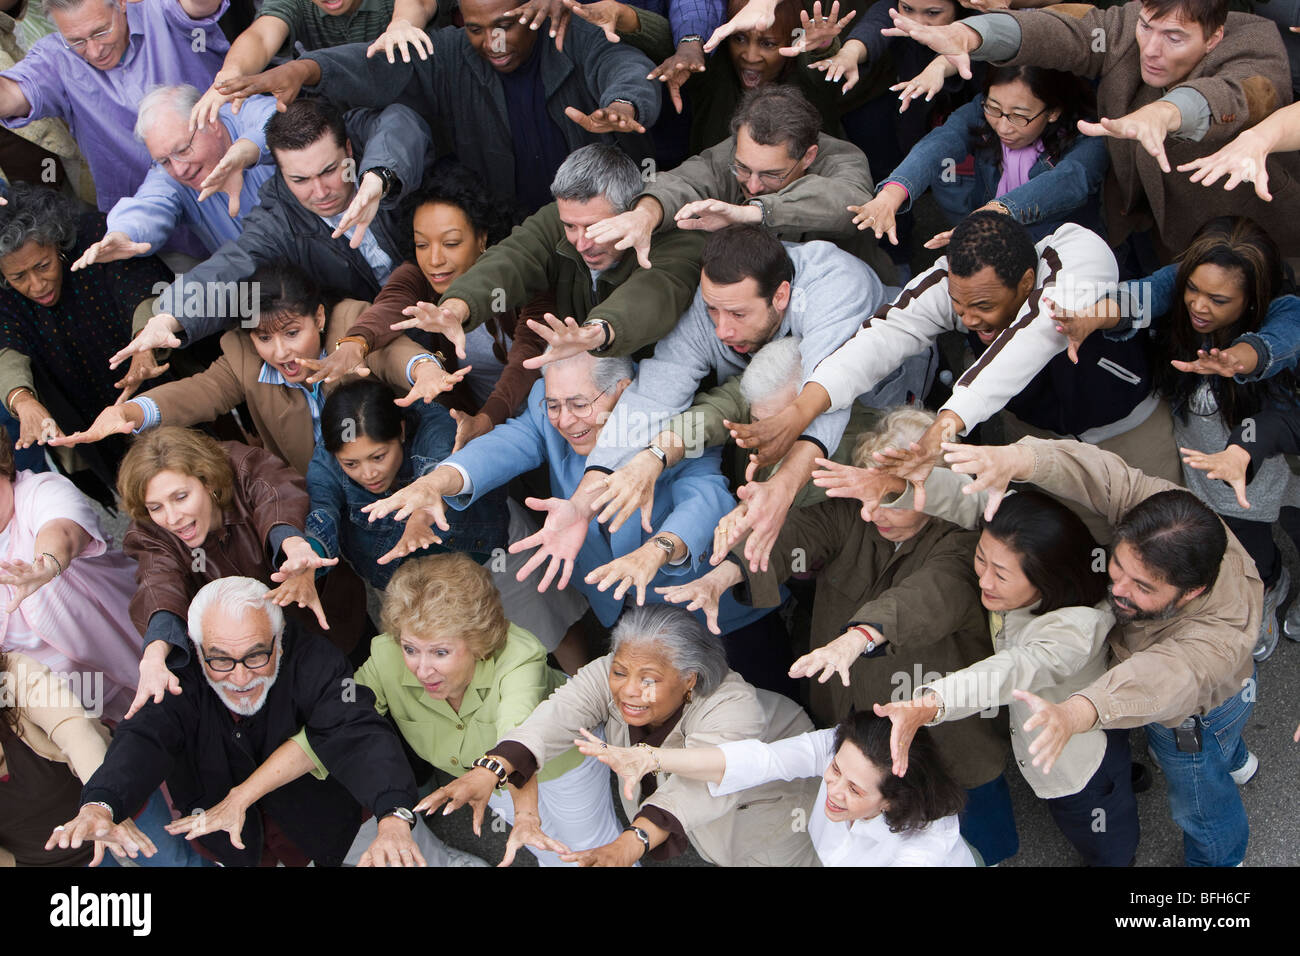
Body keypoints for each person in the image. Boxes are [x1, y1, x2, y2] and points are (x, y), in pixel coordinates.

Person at [659, 407, 1015, 865]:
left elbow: (924, 598)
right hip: (855, 715)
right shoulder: (858, 512)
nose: (871, 512)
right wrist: (720, 578)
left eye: (891, 498)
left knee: (970, 821)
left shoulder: (963, 544)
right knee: (867, 811)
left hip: (940, 734)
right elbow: (794, 537)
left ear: (933, 489)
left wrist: (856, 639)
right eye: (868, 494)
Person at [934, 436, 1260, 867]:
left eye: (1142, 587)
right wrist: (1017, 458)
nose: (1116, 591)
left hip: (1195, 713)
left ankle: (1221, 860)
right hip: (1228, 693)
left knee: (1200, 803)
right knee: (1224, 748)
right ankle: (1238, 760)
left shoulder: (1217, 637)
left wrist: (1078, 711)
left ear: (1192, 592)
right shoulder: (1166, 512)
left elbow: (1164, 680)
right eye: (1118, 567)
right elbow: (1104, 475)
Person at [824, 459, 1140, 865]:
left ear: (1046, 577)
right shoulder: (1015, 535)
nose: (984, 580)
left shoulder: (1075, 629)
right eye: (980, 559)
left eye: (1001, 575)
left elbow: (1006, 673)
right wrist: (895, 484)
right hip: (1048, 722)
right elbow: (968, 499)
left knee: (1093, 815)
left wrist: (929, 703)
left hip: (1072, 751)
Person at [363, 351, 772, 644]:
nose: (565, 420)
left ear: (623, 391)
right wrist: (438, 481)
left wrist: (659, 550)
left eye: (579, 404)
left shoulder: (670, 420)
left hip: (708, 609)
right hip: (614, 609)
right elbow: (507, 444)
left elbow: (706, 499)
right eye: (554, 405)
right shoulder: (548, 414)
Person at [741, 213, 1137, 512]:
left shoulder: (1080, 255)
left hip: (1127, 425)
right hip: (1032, 431)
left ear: (1026, 281)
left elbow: (1031, 336)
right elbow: (880, 339)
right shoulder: (957, 282)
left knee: (1138, 515)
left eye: (984, 306)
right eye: (959, 308)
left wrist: (944, 425)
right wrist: (799, 411)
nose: (968, 320)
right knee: (1071, 524)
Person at [46, 577, 428, 867]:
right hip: (235, 843)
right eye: (221, 660)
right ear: (196, 649)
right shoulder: (179, 676)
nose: (241, 678)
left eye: (256, 656)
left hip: (329, 822)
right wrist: (101, 802)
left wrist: (394, 814)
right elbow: (144, 738)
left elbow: (357, 731)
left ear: (280, 640)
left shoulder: (316, 659)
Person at [882, 0, 1300, 261]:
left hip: (1248, 224)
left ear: (1214, 38)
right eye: (1147, 27)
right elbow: (1067, 33)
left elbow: (1241, 94)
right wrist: (973, 33)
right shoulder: (1129, 26)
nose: (1150, 50)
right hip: (1148, 220)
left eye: (1174, 37)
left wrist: (1166, 113)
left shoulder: (1254, 40)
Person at [1055, 216, 1300, 660]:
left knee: (1275, 531)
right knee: (1236, 541)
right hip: (1211, 468)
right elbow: (1145, 293)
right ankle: (1260, 582)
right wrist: (1090, 320)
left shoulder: (1282, 314)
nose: (1199, 306)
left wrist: (1238, 361)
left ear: (1252, 300)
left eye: (1218, 299)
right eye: (1194, 289)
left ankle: (1271, 584)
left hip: (1262, 466)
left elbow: (1279, 344)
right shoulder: (1183, 305)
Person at [421, 604, 820, 866]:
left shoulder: (734, 705)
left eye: (649, 679)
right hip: (690, 807)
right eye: (621, 672)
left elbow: (703, 786)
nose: (628, 689)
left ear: (688, 680)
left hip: (767, 799)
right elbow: (560, 714)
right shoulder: (617, 667)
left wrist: (631, 843)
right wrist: (492, 768)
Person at [310, 553, 624, 866]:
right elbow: (338, 724)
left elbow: (517, 737)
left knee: (591, 845)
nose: (422, 670)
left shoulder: (520, 654)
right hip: (484, 779)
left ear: (476, 640)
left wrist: (528, 813)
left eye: (440, 652)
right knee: (544, 850)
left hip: (562, 762)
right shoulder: (385, 656)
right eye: (410, 649)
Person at [221, 0, 660, 215]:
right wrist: (308, 70)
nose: (493, 42)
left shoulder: (569, 32)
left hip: (604, 216)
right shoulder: (451, 55)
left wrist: (624, 105)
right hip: (514, 224)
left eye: (505, 24)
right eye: (475, 28)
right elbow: (378, 67)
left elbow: (622, 63)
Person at [53, 260, 447, 477]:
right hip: (322, 493)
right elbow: (198, 393)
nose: (279, 351)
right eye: (263, 338)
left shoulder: (349, 322)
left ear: (321, 317)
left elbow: (390, 353)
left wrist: (423, 368)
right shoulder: (242, 354)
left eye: (292, 332)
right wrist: (130, 412)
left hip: (402, 470)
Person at [117, 97, 433, 361]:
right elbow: (230, 267)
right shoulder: (277, 217)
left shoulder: (367, 137)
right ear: (281, 171)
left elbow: (402, 122)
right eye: (300, 180)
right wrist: (169, 317)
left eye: (328, 171)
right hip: (386, 343)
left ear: (348, 150)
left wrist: (380, 176)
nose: (320, 191)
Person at [298, 162, 551, 451]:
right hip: (490, 428)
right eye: (421, 244)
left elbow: (528, 357)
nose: (434, 260)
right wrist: (354, 344)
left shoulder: (520, 272)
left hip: (552, 410)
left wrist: (487, 419)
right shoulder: (422, 277)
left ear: (482, 237)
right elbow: (391, 303)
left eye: (451, 243)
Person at [399, 144, 705, 368]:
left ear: (631, 210)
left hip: (667, 395)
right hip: (583, 393)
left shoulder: (677, 234)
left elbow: (651, 295)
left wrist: (597, 332)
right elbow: (512, 258)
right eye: (570, 226)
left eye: (595, 227)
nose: (582, 242)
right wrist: (457, 306)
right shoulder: (556, 221)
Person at [116, 427, 339, 718]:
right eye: (156, 507)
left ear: (208, 482)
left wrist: (293, 546)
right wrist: (154, 655)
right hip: (254, 660)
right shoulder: (151, 530)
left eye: (181, 497)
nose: (171, 518)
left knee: (358, 690)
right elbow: (159, 583)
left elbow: (276, 498)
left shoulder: (245, 466)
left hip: (327, 620)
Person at [576, 709, 974, 866]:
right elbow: (757, 760)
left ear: (892, 801)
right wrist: (653, 758)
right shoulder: (844, 750)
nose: (833, 791)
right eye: (834, 771)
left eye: (855, 790)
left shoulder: (920, 853)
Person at [585, 83, 897, 280]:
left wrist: (752, 212)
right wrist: (645, 214)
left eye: (772, 174)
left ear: (809, 155)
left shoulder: (845, 159)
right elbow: (686, 180)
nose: (754, 185)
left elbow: (846, 204)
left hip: (853, 294)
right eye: (743, 169)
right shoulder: (732, 153)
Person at [0, 0, 229, 252]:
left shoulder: (162, 9)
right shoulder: (56, 57)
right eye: (77, 41)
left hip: (240, 186)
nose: (95, 50)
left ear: (121, 3)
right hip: (158, 237)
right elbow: (9, 97)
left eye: (101, 32)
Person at [0, 182, 171, 496]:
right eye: (19, 277)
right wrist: (22, 401)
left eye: (43, 266)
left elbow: (137, 286)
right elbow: (5, 348)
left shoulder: (95, 235)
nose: (37, 285)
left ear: (58, 243)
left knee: (189, 461)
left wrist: (145, 342)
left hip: (155, 382)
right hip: (81, 404)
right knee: (135, 489)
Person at [852, 64, 1107, 245]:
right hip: (989, 243)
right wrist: (891, 194)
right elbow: (942, 141)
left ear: (1053, 111)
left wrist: (996, 212)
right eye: (993, 108)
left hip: (1059, 250)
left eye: (1019, 116)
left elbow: (1068, 181)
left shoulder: (1089, 135)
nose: (1003, 126)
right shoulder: (982, 111)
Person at [0, 650, 206, 866]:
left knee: (177, 862)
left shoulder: (13, 671)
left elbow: (75, 730)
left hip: (119, 803)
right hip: (52, 858)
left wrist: (103, 806)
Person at [305, 378, 509, 589]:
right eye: (350, 464)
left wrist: (419, 520)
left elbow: (442, 475)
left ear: (401, 431)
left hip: (488, 556)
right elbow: (322, 510)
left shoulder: (434, 426)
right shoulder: (327, 456)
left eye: (378, 457)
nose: (368, 474)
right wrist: (308, 562)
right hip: (409, 587)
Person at [0, 431, 141, 722]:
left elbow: (62, 531)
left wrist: (46, 565)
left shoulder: (42, 490)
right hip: (61, 712)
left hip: (131, 670)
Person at [73, 85, 280, 268]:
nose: (179, 170)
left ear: (211, 121)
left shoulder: (243, 112)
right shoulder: (169, 176)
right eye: (164, 161)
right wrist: (122, 233)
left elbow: (282, 121)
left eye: (182, 150)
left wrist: (244, 152)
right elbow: (148, 206)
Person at [193, 0, 445, 129]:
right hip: (352, 123)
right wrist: (232, 73)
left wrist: (402, 23)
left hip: (430, 110)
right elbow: (260, 35)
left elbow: (417, 3)